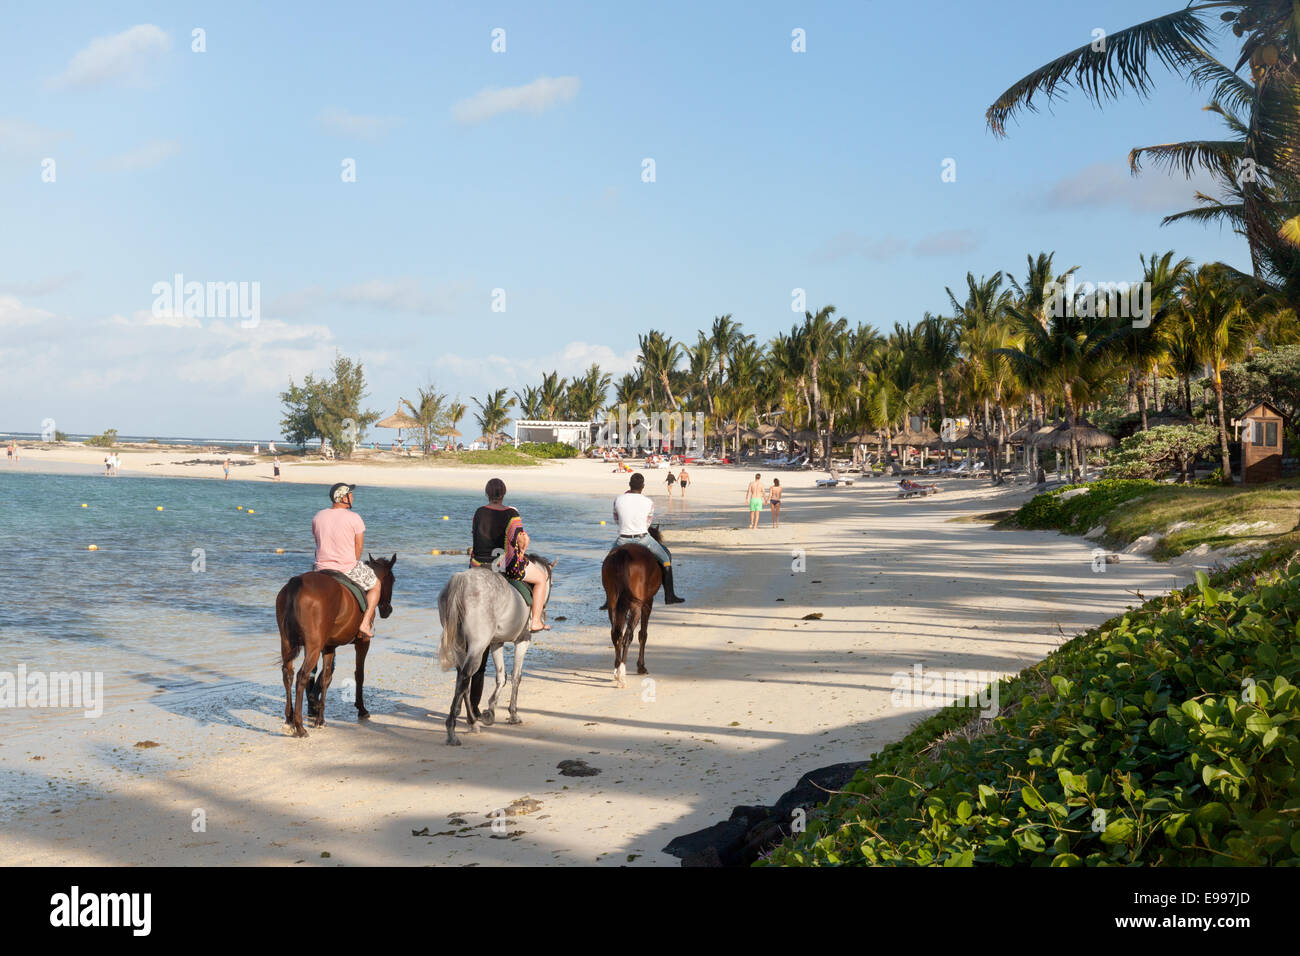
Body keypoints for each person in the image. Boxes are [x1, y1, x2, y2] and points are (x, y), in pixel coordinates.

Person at [469, 478, 551, 633]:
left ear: (487, 493)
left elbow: (474, 534)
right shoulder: (511, 514)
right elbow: (521, 541)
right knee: (540, 578)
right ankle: (535, 622)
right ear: (504, 494)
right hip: (502, 564)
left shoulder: (479, 512)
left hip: (477, 564)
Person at [312, 483, 382, 637]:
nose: (352, 497)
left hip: (320, 568)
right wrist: (354, 562)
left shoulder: (318, 516)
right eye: (350, 494)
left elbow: (318, 542)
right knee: (376, 585)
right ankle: (364, 623)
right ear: (343, 498)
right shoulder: (354, 518)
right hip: (346, 568)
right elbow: (359, 546)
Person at [605, 472, 684, 604]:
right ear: (643, 486)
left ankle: (608, 599)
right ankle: (669, 596)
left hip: (623, 539)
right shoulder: (648, 502)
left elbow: (616, 519)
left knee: (607, 562)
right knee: (666, 558)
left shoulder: (618, 499)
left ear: (629, 485)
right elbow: (648, 523)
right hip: (643, 539)